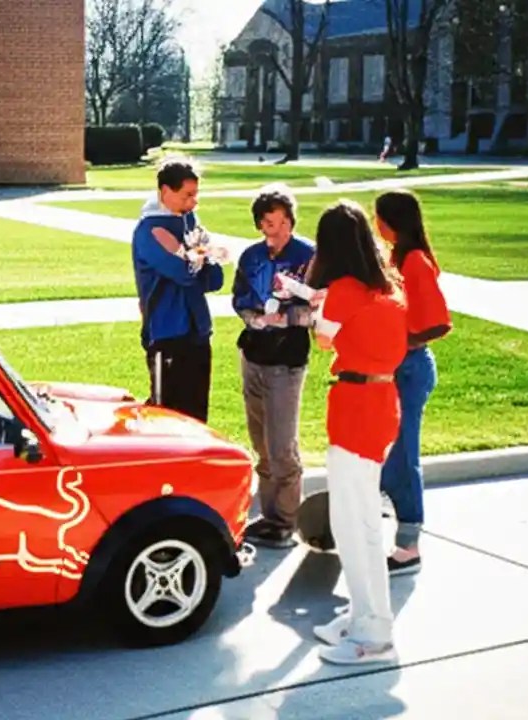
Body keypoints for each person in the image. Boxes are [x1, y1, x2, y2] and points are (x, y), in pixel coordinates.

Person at [304, 199, 408, 665]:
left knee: (355, 524)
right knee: (359, 520)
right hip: (380, 403)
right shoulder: (386, 288)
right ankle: (364, 617)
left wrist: (314, 302)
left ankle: (374, 632)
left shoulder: (345, 289)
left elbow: (322, 336)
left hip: (357, 408)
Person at [232, 184, 316, 548]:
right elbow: (240, 298)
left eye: (283, 222)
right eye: (269, 223)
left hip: (287, 360)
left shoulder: (310, 256)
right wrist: (253, 319)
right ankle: (269, 517)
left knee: (282, 445)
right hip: (253, 354)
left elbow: (322, 309)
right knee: (260, 442)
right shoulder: (251, 257)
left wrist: (289, 318)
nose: (276, 230)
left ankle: (285, 521)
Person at [374, 189, 452, 576]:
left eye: (378, 217)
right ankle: (373, 514)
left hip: (411, 369)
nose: (376, 224)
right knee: (390, 455)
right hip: (397, 367)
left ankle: (408, 547)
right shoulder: (397, 257)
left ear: (390, 221)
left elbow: (437, 322)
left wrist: (401, 339)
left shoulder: (415, 261)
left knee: (404, 459)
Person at [132, 157, 227, 423]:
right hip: (167, 334)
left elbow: (214, 279)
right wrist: (200, 253)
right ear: (165, 192)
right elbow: (183, 273)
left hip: (198, 333)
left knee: (197, 418)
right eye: (187, 195)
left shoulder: (188, 224)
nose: (193, 202)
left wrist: (197, 254)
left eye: (196, 195)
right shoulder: (150, 230)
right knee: (168, 419)